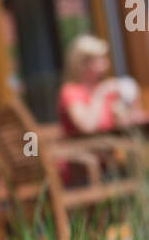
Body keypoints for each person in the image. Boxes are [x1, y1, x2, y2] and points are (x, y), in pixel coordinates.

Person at [55, 34, 143, 186]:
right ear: (83, 64)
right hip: (82, 169)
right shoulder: (71, 92)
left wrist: (132, 99)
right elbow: (87, 126)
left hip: (109, 161)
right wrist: (100, 94)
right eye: (100, 60)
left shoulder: (103, 91)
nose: (106, 64)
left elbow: (125, 122)